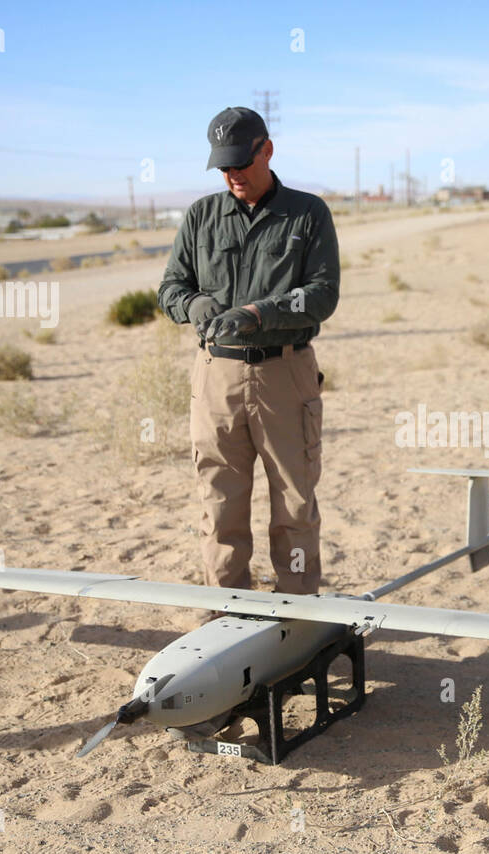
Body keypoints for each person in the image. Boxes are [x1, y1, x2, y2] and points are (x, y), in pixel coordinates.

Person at [159, 106, 340, 595]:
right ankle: (227, 613)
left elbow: (323, 295)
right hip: (216, 378)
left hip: (285, 374)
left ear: (268, 150)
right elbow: (170, 288)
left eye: (241, 162)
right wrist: (193, 304)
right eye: (224, 166)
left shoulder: (308, 213)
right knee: (220, 507)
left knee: (295, 505)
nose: (232, 174)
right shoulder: (201, 216)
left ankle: (298, 614)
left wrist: (259, 314)